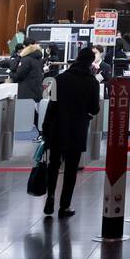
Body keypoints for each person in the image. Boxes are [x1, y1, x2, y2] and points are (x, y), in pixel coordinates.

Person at [41, 48, 100, 218]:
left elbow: (51, 106)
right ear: (90, 62)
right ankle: (65, 205)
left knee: (53, 165)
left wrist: (46, 128)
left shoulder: (60, 79)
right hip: (77, 129)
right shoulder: (91, 82)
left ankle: (50, 195)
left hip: (57, 127)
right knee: (71, 169)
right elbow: (94, 109)